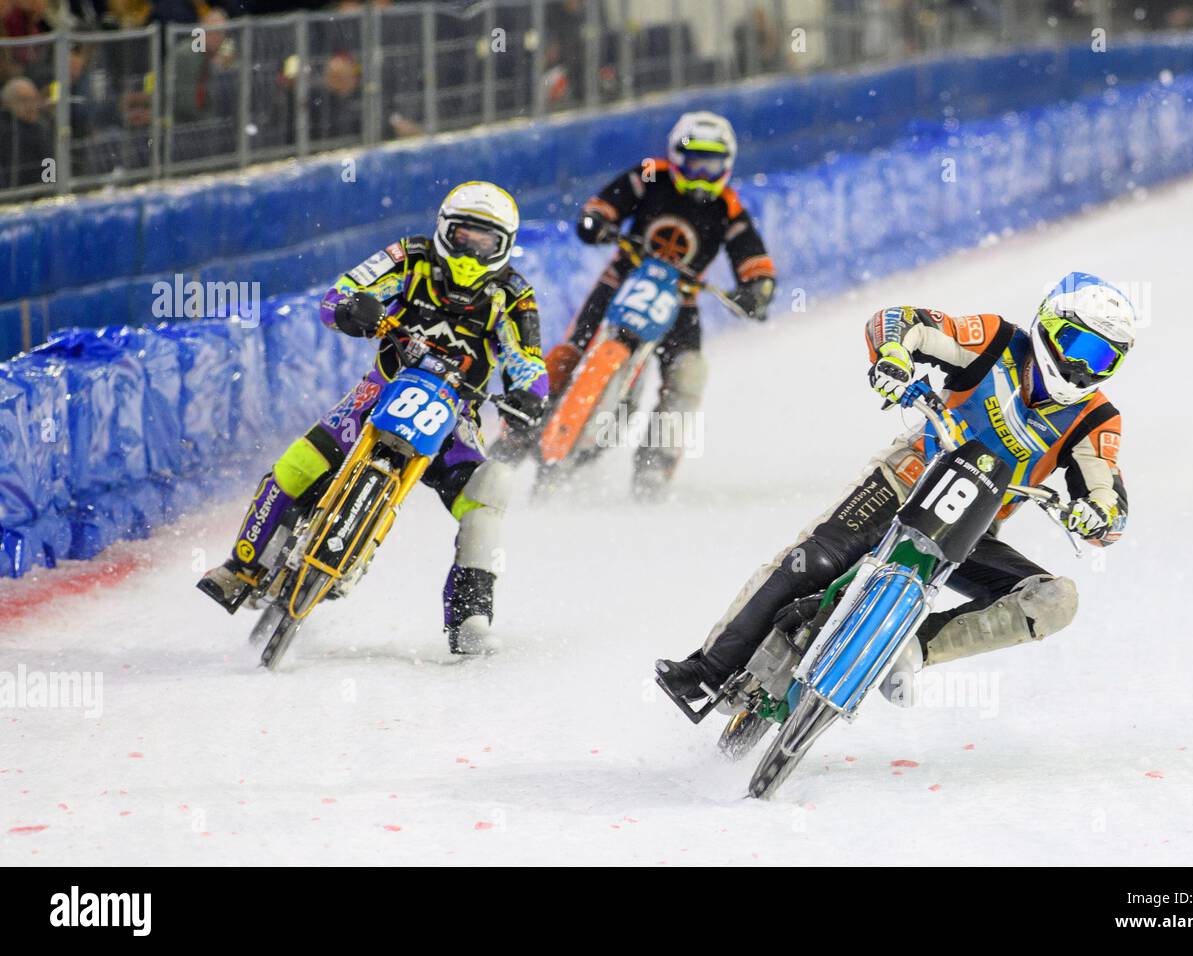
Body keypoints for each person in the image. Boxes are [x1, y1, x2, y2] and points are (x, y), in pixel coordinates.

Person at [656, 272, 1134, 700]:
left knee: (1055, 600)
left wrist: (1098, 516)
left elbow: (1108, 495)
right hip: (907, 477)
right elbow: (901, 321)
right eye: (1078, 346)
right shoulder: (996, 340)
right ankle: (708, 669)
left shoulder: (1096, 419)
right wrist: (893, 357)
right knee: (814, 560)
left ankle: (911, 648)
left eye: (1102, 358)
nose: (1082, 367)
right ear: (1049, 325)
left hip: (971, 526)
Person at [197, 181, 548, 655]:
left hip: (454, 417)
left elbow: (528, 360)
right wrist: (350, 309)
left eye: (487, 242)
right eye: (465, 236)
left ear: (504, 246)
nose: (473, 249)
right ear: (446, 230)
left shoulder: (515, 295)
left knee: (491, 492)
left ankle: (471, 618)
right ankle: (241, 568)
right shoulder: (408, 256)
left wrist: (529, 396)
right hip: (376, 393)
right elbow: (338, 294)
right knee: (296, 468)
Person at [536, 111, 776, 497]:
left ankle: (655, 467)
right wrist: (597, 222)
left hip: (682, 300)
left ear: (727, 166)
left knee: (687, 376)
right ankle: (523, 430)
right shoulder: (649, 175)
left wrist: (757, 291)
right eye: (695, 163)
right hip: (622, 279)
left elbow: (754, 259)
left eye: (711, 165)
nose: (702, 175)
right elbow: (604, 205)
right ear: (676, 158)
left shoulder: (728, 209)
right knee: (570, 350)